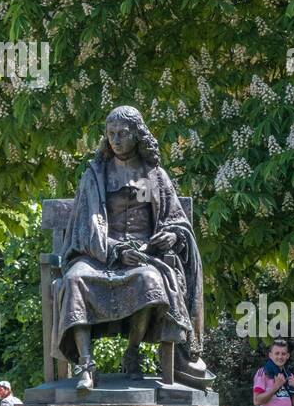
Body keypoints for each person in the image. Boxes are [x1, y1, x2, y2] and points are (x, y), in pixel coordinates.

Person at [52, 105, 211, 391]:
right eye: (110, 133)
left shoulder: (155, 175)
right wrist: (114, 250)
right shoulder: (95, 175)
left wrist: (173, 236)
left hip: (143, 254)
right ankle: (86, 366)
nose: (115, 139)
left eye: (122, 133)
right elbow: (86, 228)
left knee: (150, 280)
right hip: (99, 253)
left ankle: (132, 351)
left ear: (137, 134)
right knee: (74, 279)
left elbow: (176, 220)